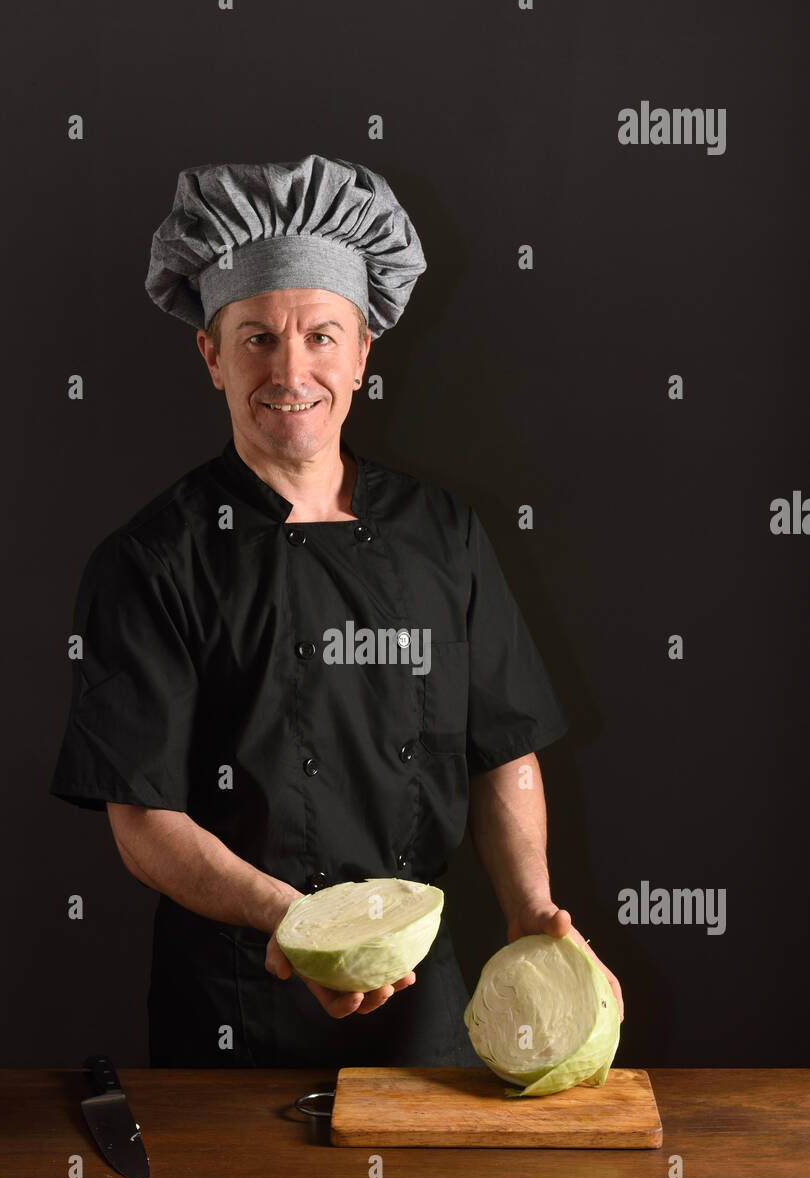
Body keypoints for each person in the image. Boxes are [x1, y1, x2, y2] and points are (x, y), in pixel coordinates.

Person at [50, 154, 623, 1068]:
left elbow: (503, 746)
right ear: (211, 355)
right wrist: (297, 923)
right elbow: (142, 818)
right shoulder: (152, 559)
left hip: (420, 991)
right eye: (256, 338)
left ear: (363, 352)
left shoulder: (445, 535)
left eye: (322, 335)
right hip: (237, 990)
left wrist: (532, 918)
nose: (292, 369)